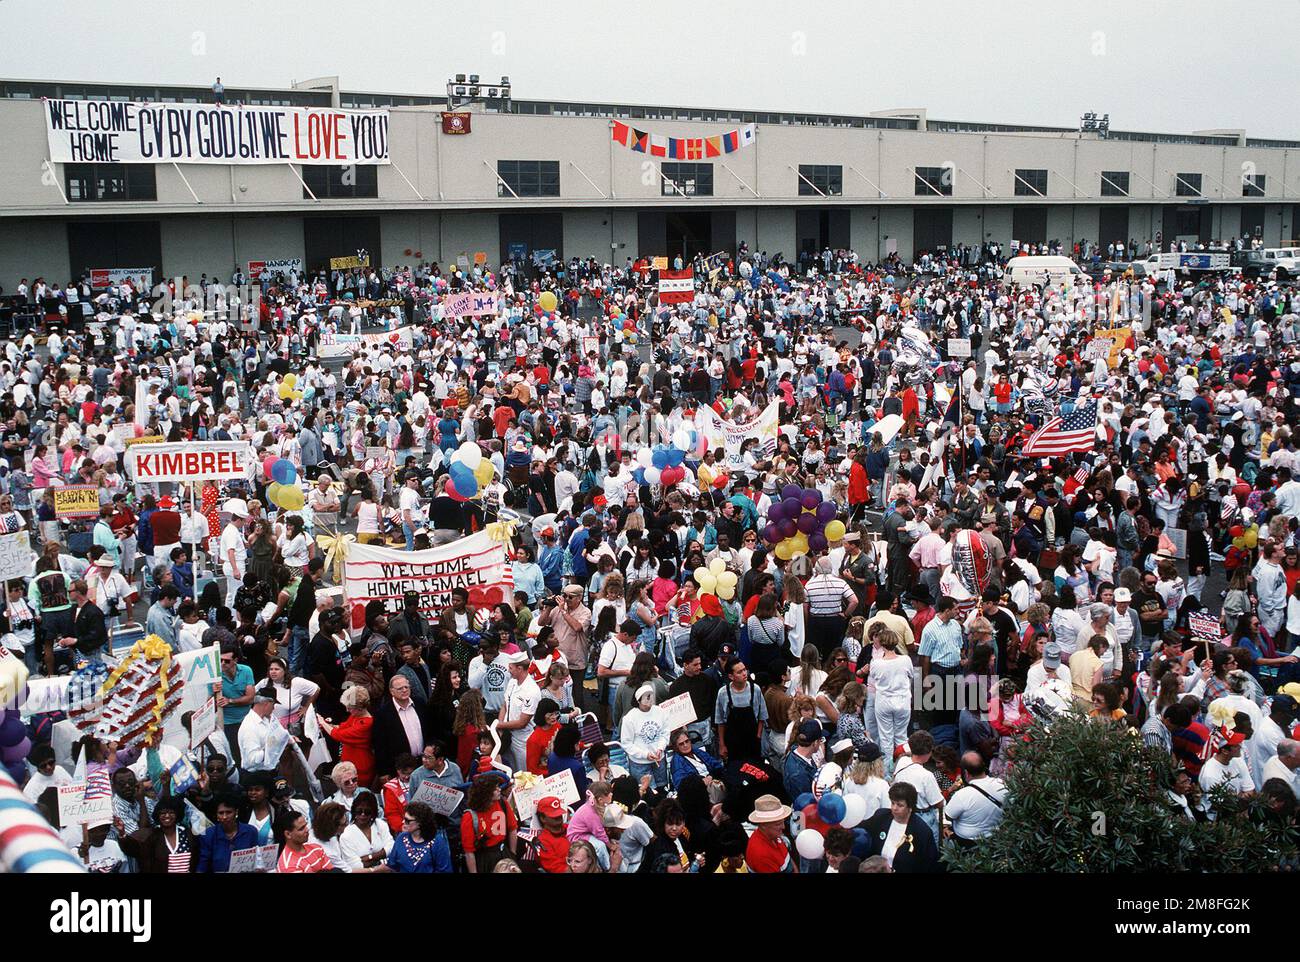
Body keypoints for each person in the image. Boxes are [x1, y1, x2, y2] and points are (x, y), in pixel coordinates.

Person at [859, 782, 941, 872]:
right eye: (893, 803)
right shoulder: (881, 817)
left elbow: (929, 864)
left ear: (910, 807)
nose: (894, 808)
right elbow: (862, 829)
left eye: (900, 805)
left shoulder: (921, 831)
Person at [943, 751, 1007, 846]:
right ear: (984, 767)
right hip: (995, 837)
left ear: (966, 773)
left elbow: (948, 816)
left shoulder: (962, 795)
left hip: (967, 842)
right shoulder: (1001, 784)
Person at [387, 801, 453, 873]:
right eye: (404, 818)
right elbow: (392, 866)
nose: (403, 822)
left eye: (407, 821)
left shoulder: (437, 842)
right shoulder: (401, 838)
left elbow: (445, 870)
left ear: (420, 823)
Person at [744, 794, 795, 873]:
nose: (783, 827)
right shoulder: (761, 855)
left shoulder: (773, 835)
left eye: (783, 822)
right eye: (778, 824)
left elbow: (788, 859)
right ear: (763, 824)